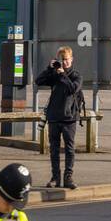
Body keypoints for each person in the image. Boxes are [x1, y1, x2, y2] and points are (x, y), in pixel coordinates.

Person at [35, 47, 82, 189]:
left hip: (69, 118)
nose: (65, 62)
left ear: (72, 59)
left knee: (69, 149)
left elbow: (72, 89)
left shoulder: (76, 75)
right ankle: (55, 177)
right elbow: (38, 81)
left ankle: (68, 177)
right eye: (63, 60)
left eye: (67, 59)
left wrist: (62, 75)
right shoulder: (55, 74)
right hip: (54, 116)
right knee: (54, 149)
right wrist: (49, 69)